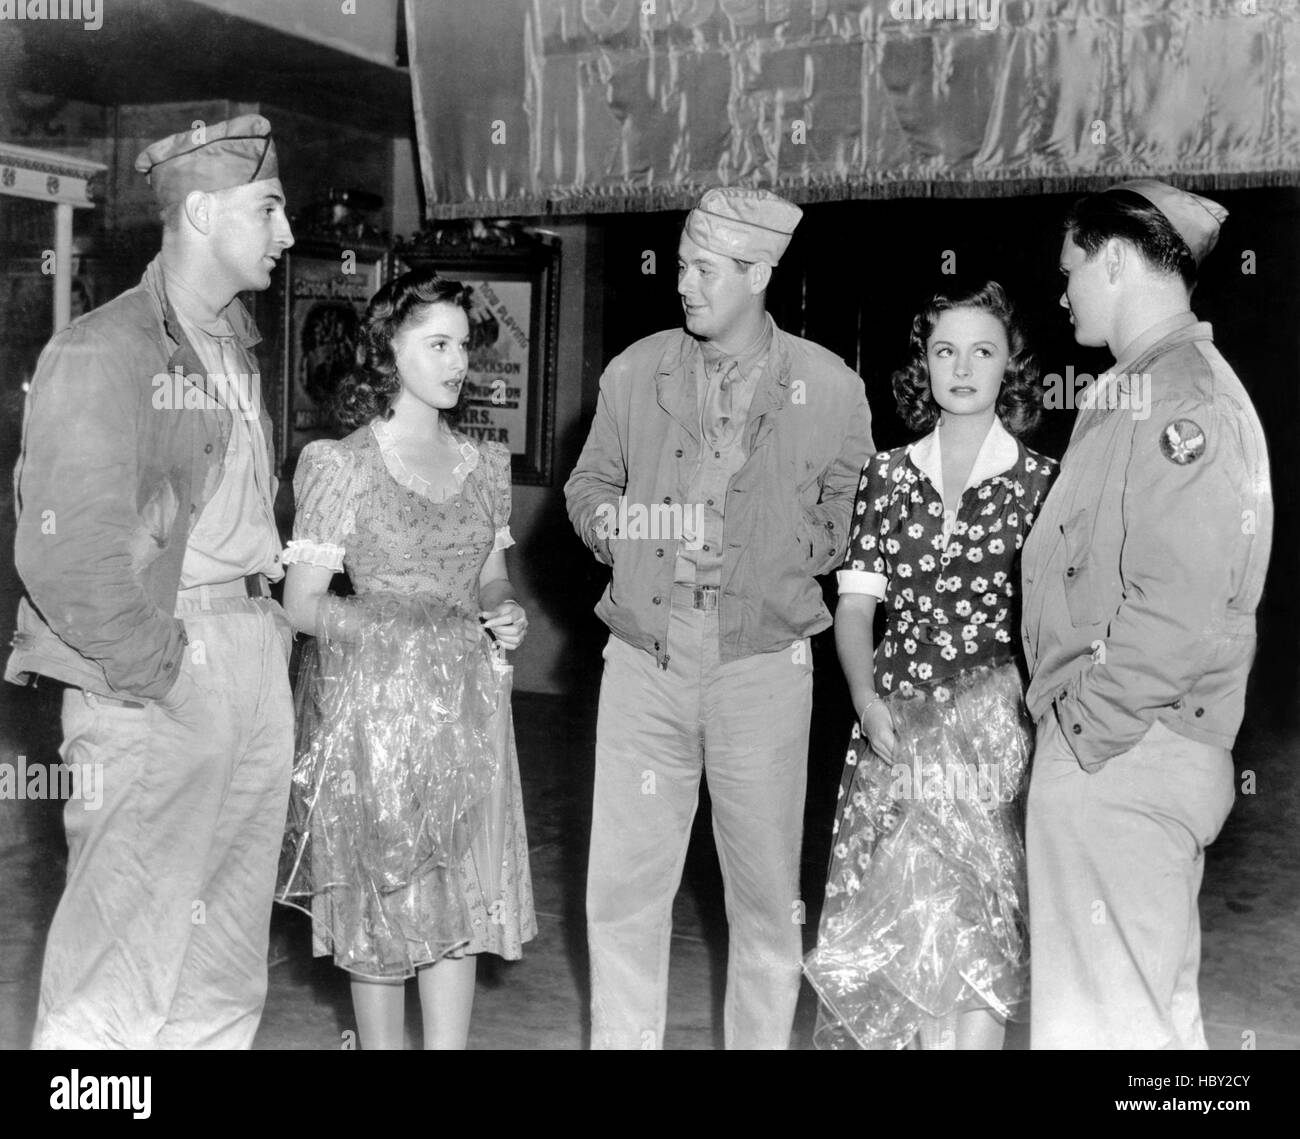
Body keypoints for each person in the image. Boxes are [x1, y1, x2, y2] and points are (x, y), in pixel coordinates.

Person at [8, 115, 296, 1048]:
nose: (287, 233)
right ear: (204, 212)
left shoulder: (237, 347)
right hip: (160, 669)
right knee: (114, 978)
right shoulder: (104, 350)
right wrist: (166, 675)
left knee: (219, 973)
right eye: (269, 208)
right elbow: (63, 553)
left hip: (252, 658)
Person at [565, 187, 874, 1049]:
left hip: (763, 665)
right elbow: (589, 488)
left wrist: (760, 547)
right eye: (683, 263)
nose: (683, 283)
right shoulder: (636, 371)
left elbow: (851, 517)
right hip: (644, 658)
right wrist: (632, 531)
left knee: (767, 901)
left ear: (759, 274)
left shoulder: (831, 387)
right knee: (623, 893)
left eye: (705, 269)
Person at [1022, 180, 1273, 1048]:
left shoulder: (1181, 400)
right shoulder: (1147, 386)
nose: (1063, 294)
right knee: (1151, 1043)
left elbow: (1179, 603)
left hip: (1124, 756)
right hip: (1129, 752)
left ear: (1117, 260)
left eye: (1071, 270)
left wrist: (1090, 728)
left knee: (1101, 1032)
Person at [277, 268, 535, 1050]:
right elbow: (299, 604)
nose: (458, 361)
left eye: (463, 344)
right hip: (375, 713)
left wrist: (503, 607)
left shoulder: (485, 467)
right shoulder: (340, 463)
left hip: (467, 707)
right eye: (438, 343)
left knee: (456, 896)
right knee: (383, 901)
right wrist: (401, 628)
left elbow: (488, 574)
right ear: (389, 348)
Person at [803, 280, 1058, 1050]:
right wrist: (866, 698)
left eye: (983, 350)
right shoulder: (886, 476)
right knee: (902, 924)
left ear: (1009, 364)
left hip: (992, 735)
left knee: (978, 921)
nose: (963, 366)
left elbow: (1053, 624)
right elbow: (855, 611)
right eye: (945, 350)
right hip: (896, 728)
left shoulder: (1042, 483)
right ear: (923, 363)